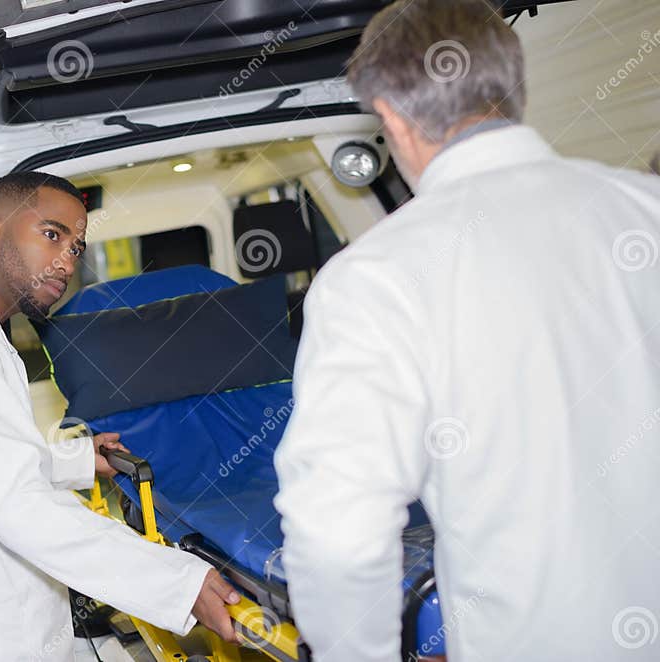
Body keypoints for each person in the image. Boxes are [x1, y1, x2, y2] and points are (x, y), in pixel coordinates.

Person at [274, 1, 660, 661]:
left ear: (391, 118)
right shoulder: (643, 208)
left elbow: (338, 535)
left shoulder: (376, 277)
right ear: (516, 87)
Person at [0, 172, 240, 661]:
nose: (67, 260)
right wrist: (178, 582)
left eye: (76, 247)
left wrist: (74, 460)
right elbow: (18, 504)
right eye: (52, 235)